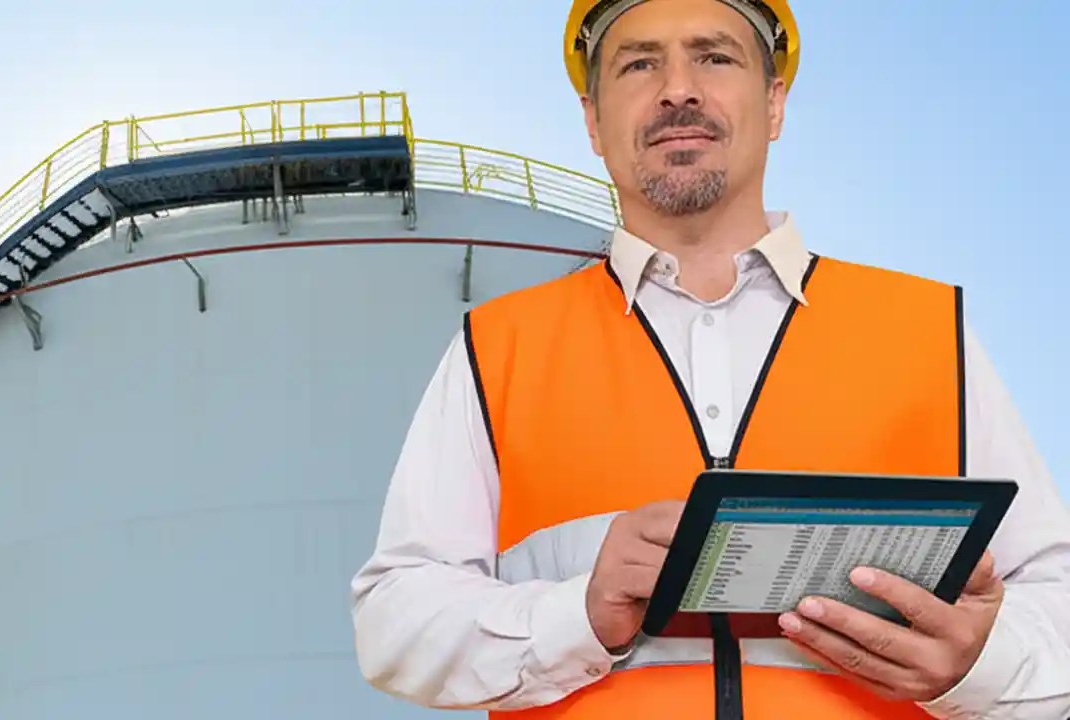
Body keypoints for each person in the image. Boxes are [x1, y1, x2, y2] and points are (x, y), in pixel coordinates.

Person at [349, 1, 1070, 718]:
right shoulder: (500, 346)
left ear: (774, 102)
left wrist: (979, 664)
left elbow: (1055, 602)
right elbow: (393, 619)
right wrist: (578, 614)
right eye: (639, 64)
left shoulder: (926, 331)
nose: (677, 89)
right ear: (593, 121)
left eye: (714, 57)